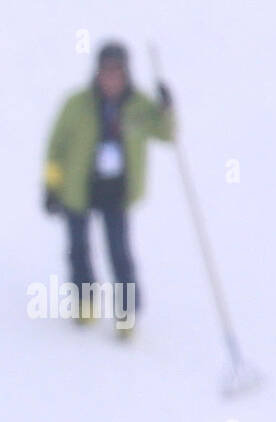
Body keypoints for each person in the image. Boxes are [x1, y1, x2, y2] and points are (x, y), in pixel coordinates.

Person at [43, 41, 174, 333]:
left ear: (126, 73)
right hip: (79, 190)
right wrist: (52, 187)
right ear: (98, 72)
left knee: (119, 253)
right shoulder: (77, 104)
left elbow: (167, 134)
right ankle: (85, 303)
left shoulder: (140, 105)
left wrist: (166, 109)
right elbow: (56, 148)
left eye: (117, 72)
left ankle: (127, 315)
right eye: (106, 71)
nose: (111, 78)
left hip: (117, 192)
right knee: (78, 250)